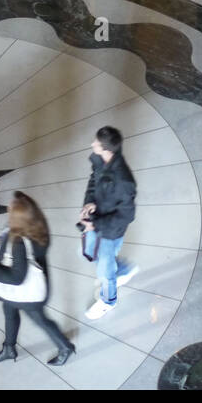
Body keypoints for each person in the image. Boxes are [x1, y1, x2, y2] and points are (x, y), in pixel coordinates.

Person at [0, 192, 76, 367]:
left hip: (27, 294)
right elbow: (9, 231)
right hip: (29, 285)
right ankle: (9, 348)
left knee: (41, 321)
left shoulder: (19, 244)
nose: (8, 208)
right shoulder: (36, 224)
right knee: (9, 311)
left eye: (11, 210)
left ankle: (65, 347)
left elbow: (17, 277)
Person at [78, 125, 138, 319]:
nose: (92, 144)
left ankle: (108, 301)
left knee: (104, 272)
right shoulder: (101, 160)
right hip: (97, 219)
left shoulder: (124, 182)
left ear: (107, 149)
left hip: (111, 231)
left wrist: (95, 225)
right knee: (88, 252)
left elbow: (126, 215)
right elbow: (94, 180)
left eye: (96, 143)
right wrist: (89, 201)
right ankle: (122, 270)